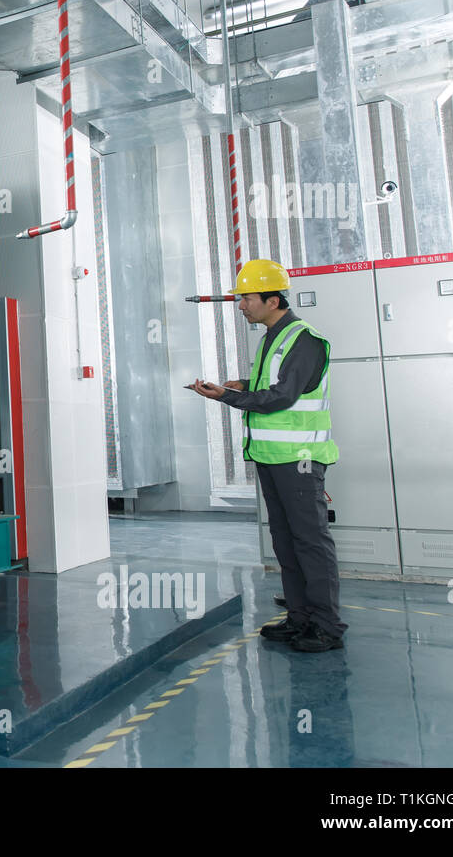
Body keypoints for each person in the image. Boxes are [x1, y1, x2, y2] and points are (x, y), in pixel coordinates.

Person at [188, 258, 346, 653]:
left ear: (273, 300)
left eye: (247, 298)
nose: (241, 305)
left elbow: (283, 397)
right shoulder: (272, 337)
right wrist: (242, 384)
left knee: (309, 540)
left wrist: (228, 396)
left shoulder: (303, 338)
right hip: (273, 457)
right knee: (285, 540)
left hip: (299, 458)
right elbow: (273, 386)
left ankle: (326, 626)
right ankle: (299, 617)